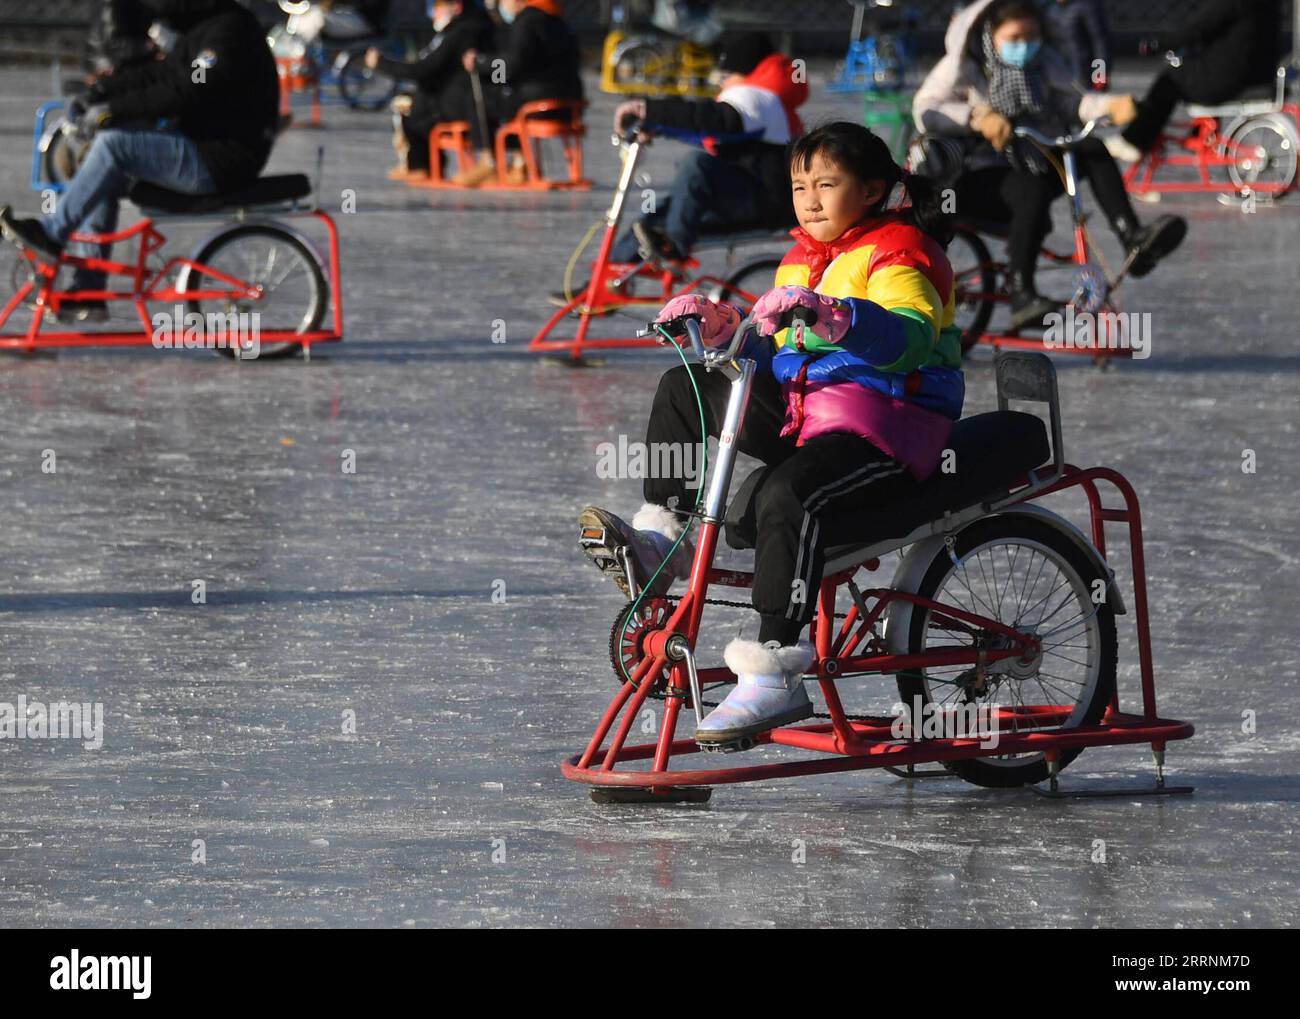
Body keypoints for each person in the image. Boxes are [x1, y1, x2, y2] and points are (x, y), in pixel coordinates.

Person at [577, 122, 964, 747]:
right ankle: (659, 540)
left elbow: (910, 337)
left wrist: (836, 315)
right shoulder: (804, 254)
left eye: (827, 185)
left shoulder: (901, 252)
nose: (809, 199)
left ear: (870, 190)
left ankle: (775, 667)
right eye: (799, 185)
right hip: (805, 412)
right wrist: (723, 324)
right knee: (686, 387)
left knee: (787, 494)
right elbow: (771, 338)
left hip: (887, 427)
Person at [0, 0, 279, 323]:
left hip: (222, 159)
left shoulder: (229, 32)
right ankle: (87, 293)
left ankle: (51, 235)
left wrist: (112, 111)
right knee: (101, 171)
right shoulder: (202, 29)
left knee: (114, 145)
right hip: (201, 146)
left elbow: (187, 89)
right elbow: (161, 73)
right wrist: (101, 91)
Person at [912, 0, 1186, 330]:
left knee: (1091, 148)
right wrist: (975, 117)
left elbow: (1071, 101)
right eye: (1015, 38)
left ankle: (1134, 239)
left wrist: (1108, 106)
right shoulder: (964, 65)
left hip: (1030, 157)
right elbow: (926, 108)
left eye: (1032, 36)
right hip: (974, 172)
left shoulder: (1043, 63)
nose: (1025, 46)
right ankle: (1021, 293)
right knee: (1031, 189)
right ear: (991, 33)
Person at [550, 31, 807, 305]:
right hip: (744, 197)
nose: (721, 85)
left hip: (764, 203)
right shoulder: (762, 98)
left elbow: (716, 120)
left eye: (724, 76)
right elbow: (713, 132)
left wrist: (647, 111)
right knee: (649, 222)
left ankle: (673, 248)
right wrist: (658, 127)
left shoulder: (757, 97)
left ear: (738, 72)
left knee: (699, 165)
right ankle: (600, 289)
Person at [1113, 0, 1285, 160]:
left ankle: (1134, 140)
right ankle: (1198, 132)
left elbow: (1199, 28)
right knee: (1191, 73)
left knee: (1169, 82)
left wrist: (1159, 43)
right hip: (1257, 75)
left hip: (1228, 77)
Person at [453, 0, 584, 187]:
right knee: (504, 96)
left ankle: (488, 161)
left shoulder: (528, 21)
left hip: (538, 100)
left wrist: (482, 64)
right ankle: (518, 162)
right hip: (570, 102)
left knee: (482, 97)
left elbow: (513, 64)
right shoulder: (558, 19)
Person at [365, 1, 495, 176]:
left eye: (438, 6)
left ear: (456, 7)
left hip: (459, 103)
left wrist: (381, 63)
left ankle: (422, 166)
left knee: (411, 108)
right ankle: (421, 165)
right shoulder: (454, 31)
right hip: (453, 97)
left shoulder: (460, 33)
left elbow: (422, 69)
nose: (433, 13)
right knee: (413, 100)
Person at [1039, 0, 1109, 91]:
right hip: (1055, 71)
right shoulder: (1048, 8)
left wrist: (1100, 73)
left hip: (1083, 73)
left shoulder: (1087, 6)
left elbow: (1099, 42)